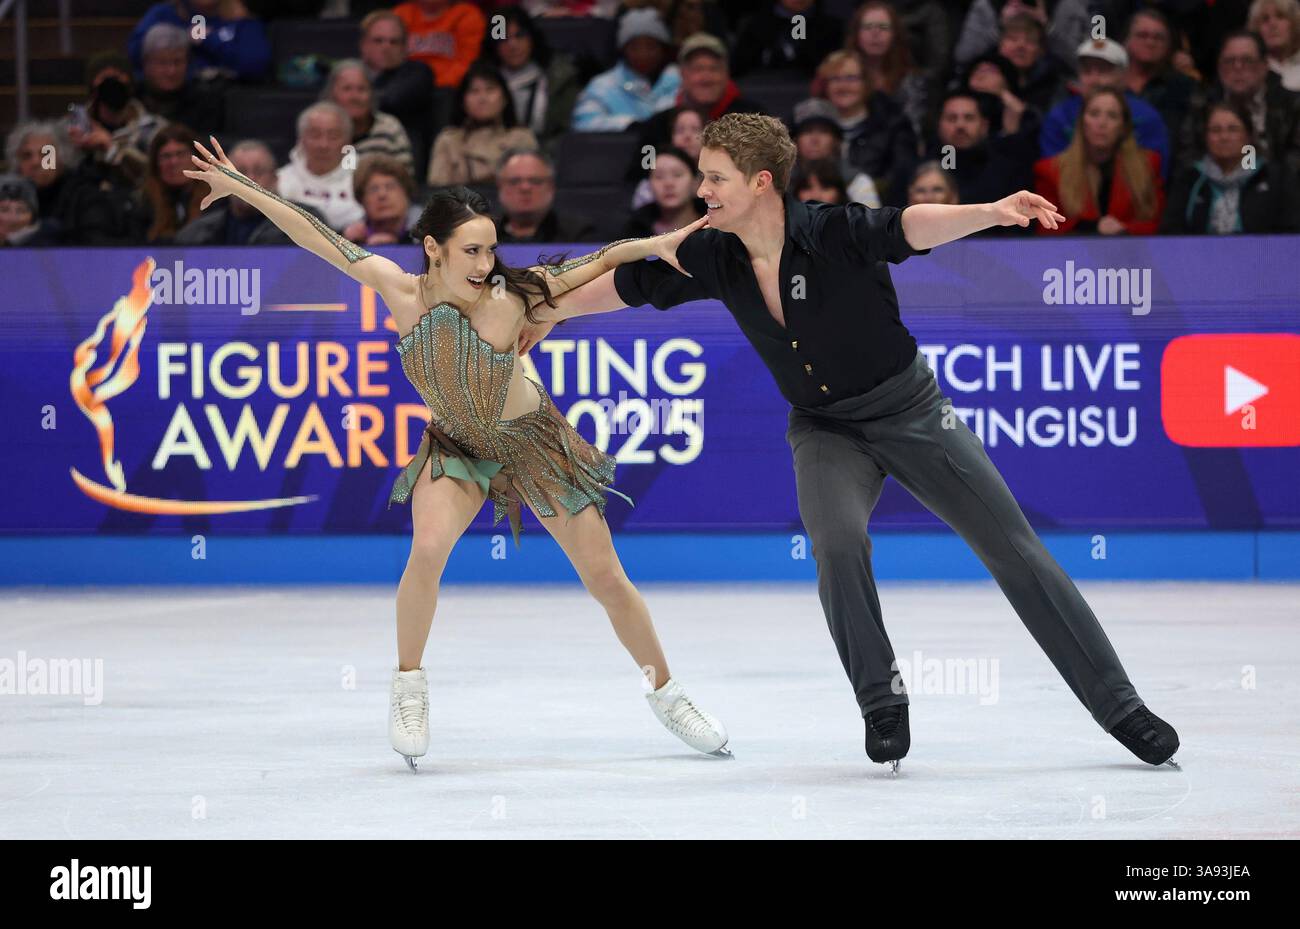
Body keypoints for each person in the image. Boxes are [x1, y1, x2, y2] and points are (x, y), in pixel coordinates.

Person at [520, 111, 1181, 773]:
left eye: (716, 178)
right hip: (824, 428)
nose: (703, 191)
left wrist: (992, 209)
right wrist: (546, 311)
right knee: (837, 542)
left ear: (760, 182)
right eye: (703, 178)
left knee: (1012, 546)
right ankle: (881, 699)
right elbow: (626, 284)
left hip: (911, 411)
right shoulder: (710, 250)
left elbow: (907, 226)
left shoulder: (827, 230)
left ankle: (1120, 706)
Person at [183, 134, 730, 771]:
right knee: (428, 548)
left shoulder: (512, 297)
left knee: (606, 577)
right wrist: (244, 188)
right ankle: (408, 687)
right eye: (472, 250)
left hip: (533, 447)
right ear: (433, 250)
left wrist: (653, 245)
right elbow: (314, 234)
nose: (486, 262)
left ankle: (667, 692)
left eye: (492, 248)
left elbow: (596, 261)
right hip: (457, 447)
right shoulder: (399, 291)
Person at [1034, 86, 1164, 235]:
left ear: (1123, 126)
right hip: (1074, 256)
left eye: (1112, 116)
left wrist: (1124, 230)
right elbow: (1047, 231)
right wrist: (1093, 228)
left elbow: (1157, 225)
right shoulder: (1050, 171)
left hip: (1132, 252)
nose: (1102, 123)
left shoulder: (1148, 165)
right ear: (1082, 122)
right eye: (1094, 114)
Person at [1161, 100, 1300, 233]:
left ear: (1248, 136)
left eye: (1233, 129)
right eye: (1215, 130)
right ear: (1206, 137)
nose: (1224, 137)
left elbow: (1290, 232)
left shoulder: (1275, 178)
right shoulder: (1189, 180)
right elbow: (1171, 232)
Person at [426, 62, 539, 185]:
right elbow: (437, 193)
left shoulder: (522, 138)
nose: (482, 98)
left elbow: (534, 186)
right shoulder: (449, 140)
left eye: (490, 90)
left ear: (505, 98)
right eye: (474, 91)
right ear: (463, 102)